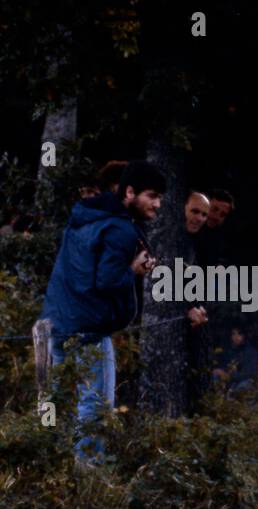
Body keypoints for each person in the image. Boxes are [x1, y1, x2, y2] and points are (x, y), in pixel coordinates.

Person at [38, 160, 166, 459]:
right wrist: (134, 270)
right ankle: (89, 481)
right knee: (95, 411)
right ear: (130, 192)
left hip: (56, 323)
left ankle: (48, 472)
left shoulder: (84, 215)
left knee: (54, 406)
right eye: (152, 196)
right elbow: (107, 280)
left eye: (160, 197)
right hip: (90, 331)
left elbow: (82, 269)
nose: (158, 204)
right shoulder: (120, 228)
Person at [215, 326, 258, 397]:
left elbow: (250, 373)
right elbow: (223, 364)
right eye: (234, 334)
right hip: (230, 379)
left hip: (245, 380)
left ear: (244, 336)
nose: (236, 337)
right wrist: (220, 370)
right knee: (215, 375)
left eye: (239, 334)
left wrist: (228, 375)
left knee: (243, 386)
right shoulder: (229, 349)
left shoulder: (250, 351)